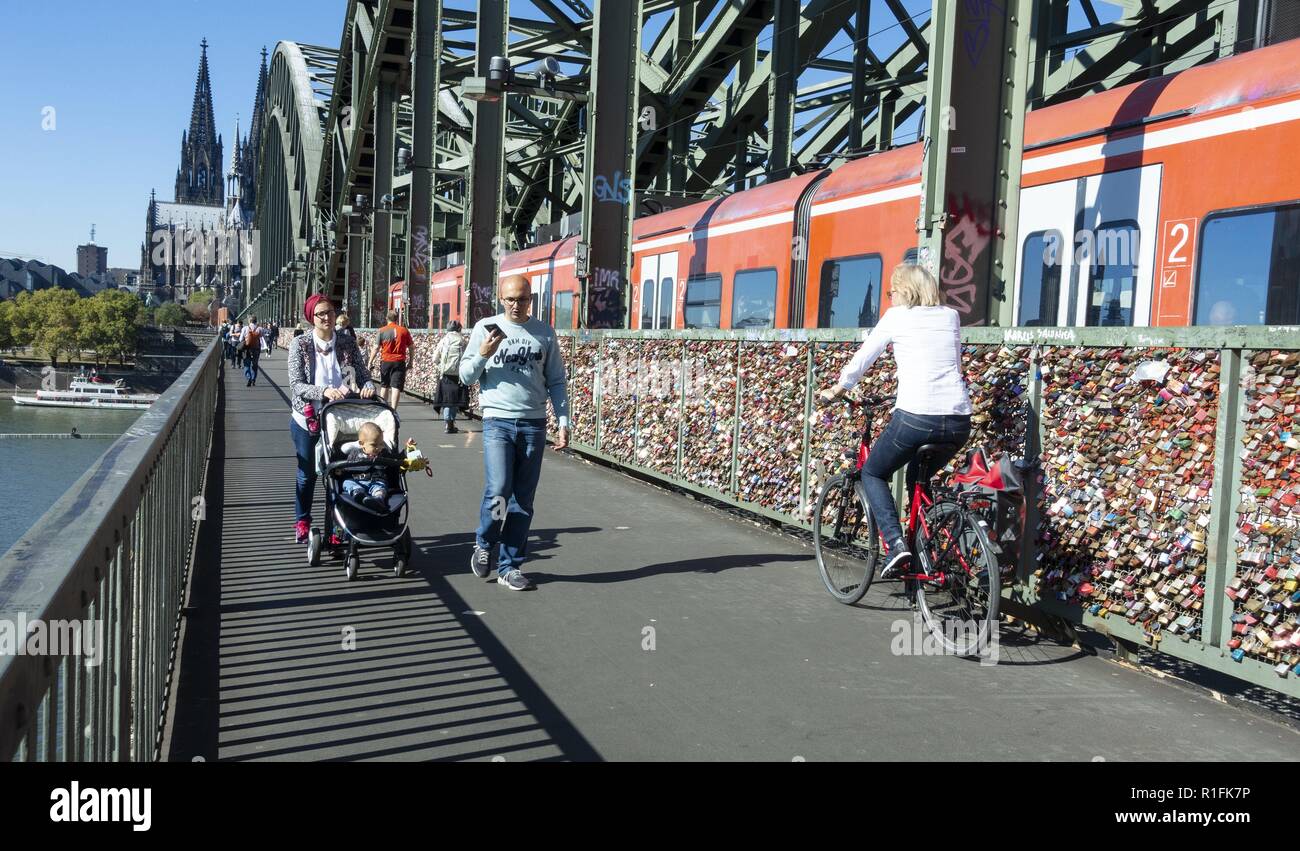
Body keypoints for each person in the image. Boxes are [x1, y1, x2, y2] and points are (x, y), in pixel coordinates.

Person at [816, 263, 972, 578]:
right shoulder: (951, 316)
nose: (891, 296)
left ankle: (895, 543)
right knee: (919, 480)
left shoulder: (897, 317)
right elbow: (949, 364)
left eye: (892, 290)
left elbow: (864, 357)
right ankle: (926, 554)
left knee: (873, 472)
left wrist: (838, 388)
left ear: (903, 290)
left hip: (915, 416)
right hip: (958, 420)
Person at [460, 274, 569, 591]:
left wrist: (563, 421)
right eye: (510, 299)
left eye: (522, 299)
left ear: (531, 299)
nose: (516, 305)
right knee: (499, 489)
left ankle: (510, 567)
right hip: (497, 421)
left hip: (533, 424)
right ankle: (484, 543)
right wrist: (482, 352)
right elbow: (466, 377)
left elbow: (556, 381)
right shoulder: (486, 327)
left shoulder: (544, 333)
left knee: (523, 500)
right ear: (501, 299)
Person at [287, 294, 378, 544]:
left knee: (339, 473)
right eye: (321, 314)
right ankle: (302, 521)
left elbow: (362, 374)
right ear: (311, 318)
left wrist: (368, 386)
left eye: (330, 312)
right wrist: (323, 391)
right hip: (308, 419)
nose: (327, 317)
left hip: (340, 419)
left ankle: (336, 527)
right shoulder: (301, 344)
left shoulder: (347, 343)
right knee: (308, 475)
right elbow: (296, 385)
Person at [341, 422, 400, 510]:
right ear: (361, 444)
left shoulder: (383, 454)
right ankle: (359, 494)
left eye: (381, 444)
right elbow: (347, 466)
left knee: (381, 487)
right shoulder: (354, 454)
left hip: (376, 480)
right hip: (357, 480)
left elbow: (396, 459)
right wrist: (340, 470)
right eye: (374, 445)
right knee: (347, 482)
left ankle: (378, 499)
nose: (378, 448)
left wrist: (408, 451)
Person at [432, 320, 467, 433]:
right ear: (459, 329)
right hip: (458, 375)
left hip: (446, 374)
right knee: (454, 399)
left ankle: (448, 423)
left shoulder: (444, 340)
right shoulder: (463, 341)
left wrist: (441, 367)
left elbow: (434, 359)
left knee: (447, 399)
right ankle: (451, 422)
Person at [376, 309, 413, 409]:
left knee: (384, 385)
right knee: (396, 387)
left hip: (386, 361)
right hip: (399, 361)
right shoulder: (404, 330)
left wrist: (370, 361)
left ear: (386, 318)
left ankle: (382, 408)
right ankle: (393, 410)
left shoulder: (382, 330)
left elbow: (376, 348)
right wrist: (411, 361)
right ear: (397, 319)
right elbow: (411, 347)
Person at [241, 316, 263, 387]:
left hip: (247, 349)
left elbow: (241, 339)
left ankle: (249, 377)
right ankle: (253, 379)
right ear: (256, 321)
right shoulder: (259, 328)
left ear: (249, 321)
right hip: (256, 349)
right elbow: (262, 337)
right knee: (255, 364)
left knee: (247, 364)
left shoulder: (245, 328)